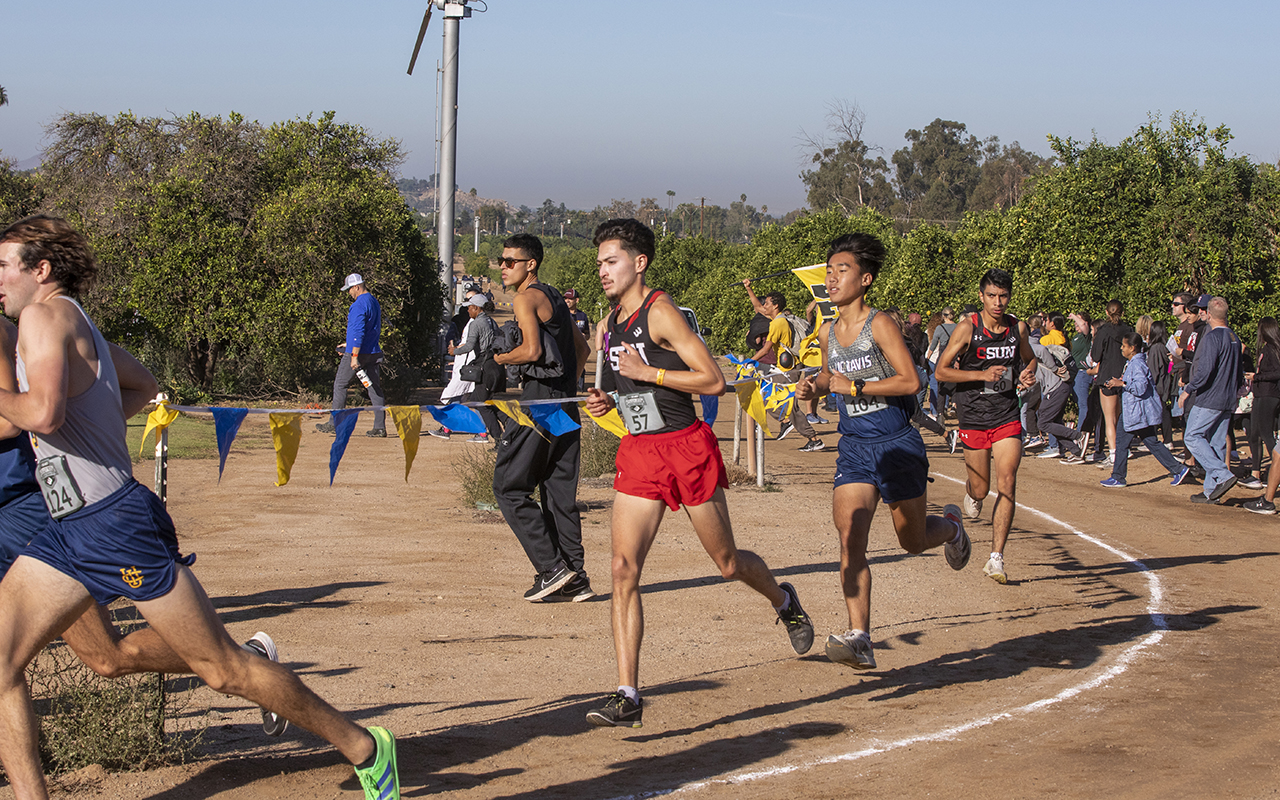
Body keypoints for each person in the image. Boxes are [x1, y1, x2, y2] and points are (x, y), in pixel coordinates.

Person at [0, 216, 399, 800]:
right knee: (6, 663)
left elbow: (40, 414)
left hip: (112, 523)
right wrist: (94, 427)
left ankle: (364, 745)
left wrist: (66, 427)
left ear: (41, 269)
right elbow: (141, 383)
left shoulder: (42, 317)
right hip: (65, 528)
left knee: (222, 670)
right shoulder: (69, 320)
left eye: (3, 266)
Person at [0, 315, 291, 738]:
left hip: (25, 511)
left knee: (104, 656)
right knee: (41, 660)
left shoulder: (18, 328)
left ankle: (248, 662)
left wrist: (93, 423)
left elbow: (11, 421)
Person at [583, 219, 812, 728]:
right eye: (600, 262)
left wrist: (648, 373)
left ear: (639, 263)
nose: (603, 270)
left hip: (686, 448)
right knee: (622, 569)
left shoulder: (660, 312)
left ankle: (783, 599)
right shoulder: (609, 322)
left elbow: (713, 381)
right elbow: (631, 390)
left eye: (611, 261)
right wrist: (608, 401)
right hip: (640, 450)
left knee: (727, 563)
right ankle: (627, 694)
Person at [794, 233, 969, 671]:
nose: (832, 279)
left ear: (865, 279)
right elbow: (828, 376)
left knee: (912, 541)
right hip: (854, 448)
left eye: (842, 271)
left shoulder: (881, 326)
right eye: (829, 271)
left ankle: (951, 528)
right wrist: (813, 387)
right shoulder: (828, 331)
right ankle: (861, 638)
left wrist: (855, 387)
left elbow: (911, 381)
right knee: (851, 537)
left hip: (897, 445)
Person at [492, 233, 594, 602]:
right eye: (502, 261)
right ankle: (575, 578)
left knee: (508, 486)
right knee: (557, 491)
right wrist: (565, 385)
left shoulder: (524, 298)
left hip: (539, 404)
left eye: (510, 261)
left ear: (530, 264)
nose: (503, 267)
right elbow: (583, 349)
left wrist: (500, 359)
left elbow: (532, 351)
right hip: (565, 403)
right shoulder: (554, 297)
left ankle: (552, 569)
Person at [935, 268, 1038, 584]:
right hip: (973, 415)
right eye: (992, 296)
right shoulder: (967, 328)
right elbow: (941, 371)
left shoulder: (1017, 328)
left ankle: (996, 558)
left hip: (1006, 414)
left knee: (1007, 481)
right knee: (981, 488)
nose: (998, 302)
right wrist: (981, 375)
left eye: (1003, 296)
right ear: (981, 296)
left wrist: (1028, 373)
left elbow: (1030, 358)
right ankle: (971, 494)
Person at [1098, 332, 1191, 488]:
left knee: (1123, 443)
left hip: (1135, 412)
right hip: (1136, 412)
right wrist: (1119, 382)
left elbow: (1140, 387)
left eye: (1124, 346)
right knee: (1151, 442)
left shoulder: (1137, 364)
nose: (1121, 348)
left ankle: (1118, 477)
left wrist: (1122, 384)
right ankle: (1178, 469)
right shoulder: (1135, 363)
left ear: (1132, 348)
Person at [742, 281, 824, 452]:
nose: (764, 306)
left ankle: (796, 427)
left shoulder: (778, 323)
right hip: (786, 368)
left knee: (770, 396)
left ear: (775, 306)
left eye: (767, 303)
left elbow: (765, 349)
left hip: (788, 370)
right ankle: (810, 437)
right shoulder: (777, 319)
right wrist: (748, 288)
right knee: (784, 403)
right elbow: (757, 307)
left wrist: (748, 361)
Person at [1180, 297, 1244, 504]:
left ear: (1208, 313)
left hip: (1210, 398)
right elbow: (1238, 371)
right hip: (1227, 398)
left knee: (1192, 436)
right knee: (1216, 442)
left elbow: (1205, 371)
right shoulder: (1234, 337)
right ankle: (1211, 491)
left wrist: (1188, 389)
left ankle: (1222, 475)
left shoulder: (1212, 337)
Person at [317, 273, 386, 438]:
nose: (349, 292)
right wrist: (348, 343)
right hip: (373, 352)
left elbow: (358, 332)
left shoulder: (358, 305)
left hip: (358, 353)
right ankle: (380, 427)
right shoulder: (373, 301)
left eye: (350, 289)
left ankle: (334, 423)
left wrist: (354, 354)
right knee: (373, 388)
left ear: (357, 287)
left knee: (340, 385)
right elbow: (371, 329)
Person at [1090, 300, 1134, 470]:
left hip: (1107, 376)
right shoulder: (1128, 329)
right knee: (1120, 417)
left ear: (1107, 313)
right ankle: (1123, 449)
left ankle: (1114, 454)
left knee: (1110, 419)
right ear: (1122, 312)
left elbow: (1095, 356)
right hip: (1124, 375)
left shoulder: (1103, 331)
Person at [1244, 318, 1280, 490]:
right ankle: (1255, 474)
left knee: (1266, 434)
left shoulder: (1273, 349)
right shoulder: (1266, 348)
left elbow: (1277, 373)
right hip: (1260, 395)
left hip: (1269, 395)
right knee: (1254, 434)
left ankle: (1277, 471)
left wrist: (1256, 377)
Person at [564, 289, 592, 391]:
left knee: (579, 369)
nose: (567, 300)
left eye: (570, 298)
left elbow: (588, 334)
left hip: (579, 350)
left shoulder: (582, 316)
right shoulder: (562, 314)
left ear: (577, 300)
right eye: (565, 298)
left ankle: (579, 389)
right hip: (565, 349)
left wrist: (584, 336)